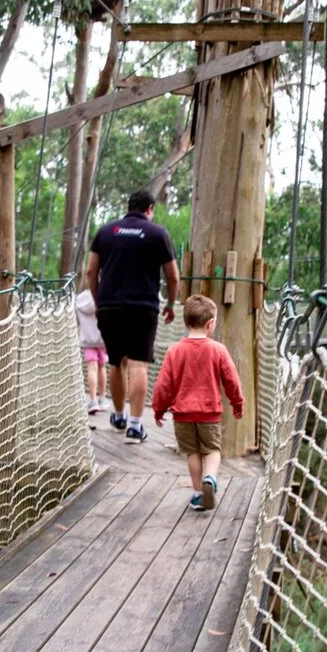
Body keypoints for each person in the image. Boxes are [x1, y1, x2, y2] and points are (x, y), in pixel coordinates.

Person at [83, 186, 180, 441]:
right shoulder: (158, 233)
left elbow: (91, 272)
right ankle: (136, 425)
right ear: (150, 209)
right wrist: (170, 304)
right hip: (143, 308)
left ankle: (118, 415)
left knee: (117, 362)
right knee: (138, 364)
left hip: (110, 307)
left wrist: (98, 301)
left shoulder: (105, 232)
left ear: (128, 207)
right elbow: (173, 276)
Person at [151, 293, 245, 513]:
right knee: (212, 450)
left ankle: (197, 494)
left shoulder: (174, 351)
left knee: (192, 453)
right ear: (210, 324)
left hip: (182, 414)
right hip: (209, 413)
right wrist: (237, 402)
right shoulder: (218, 350)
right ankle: (210, 479)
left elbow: (163, 385)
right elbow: (232, 380)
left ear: (185, 322)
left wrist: (158, 409)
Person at [75, 279, 107, 419]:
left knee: (91, 368)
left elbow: (76, 318)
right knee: (102, 367)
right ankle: (102, 398)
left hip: (87, 340)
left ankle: (93, 400)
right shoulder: (103, 297)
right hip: (102, 339)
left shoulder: (79, 300)